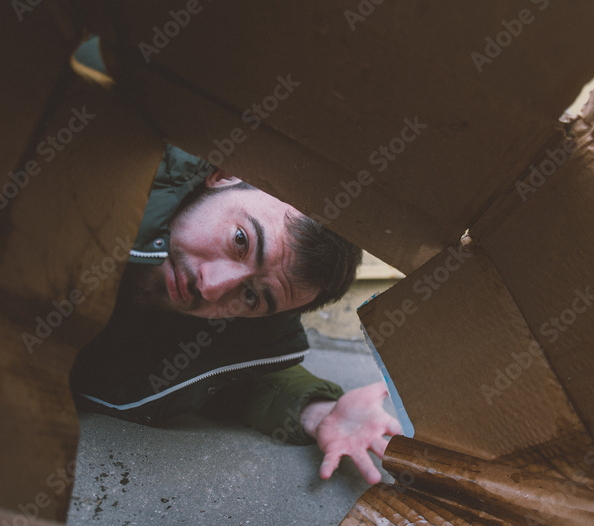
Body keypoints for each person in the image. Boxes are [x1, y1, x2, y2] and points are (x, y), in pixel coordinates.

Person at [70, 145, 401, 484]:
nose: (212, 287)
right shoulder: (79, 171)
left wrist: (319, 412)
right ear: (224, 176)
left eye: (250, 295)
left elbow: (230, 378)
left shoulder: (219, 332)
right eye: (240, 240)